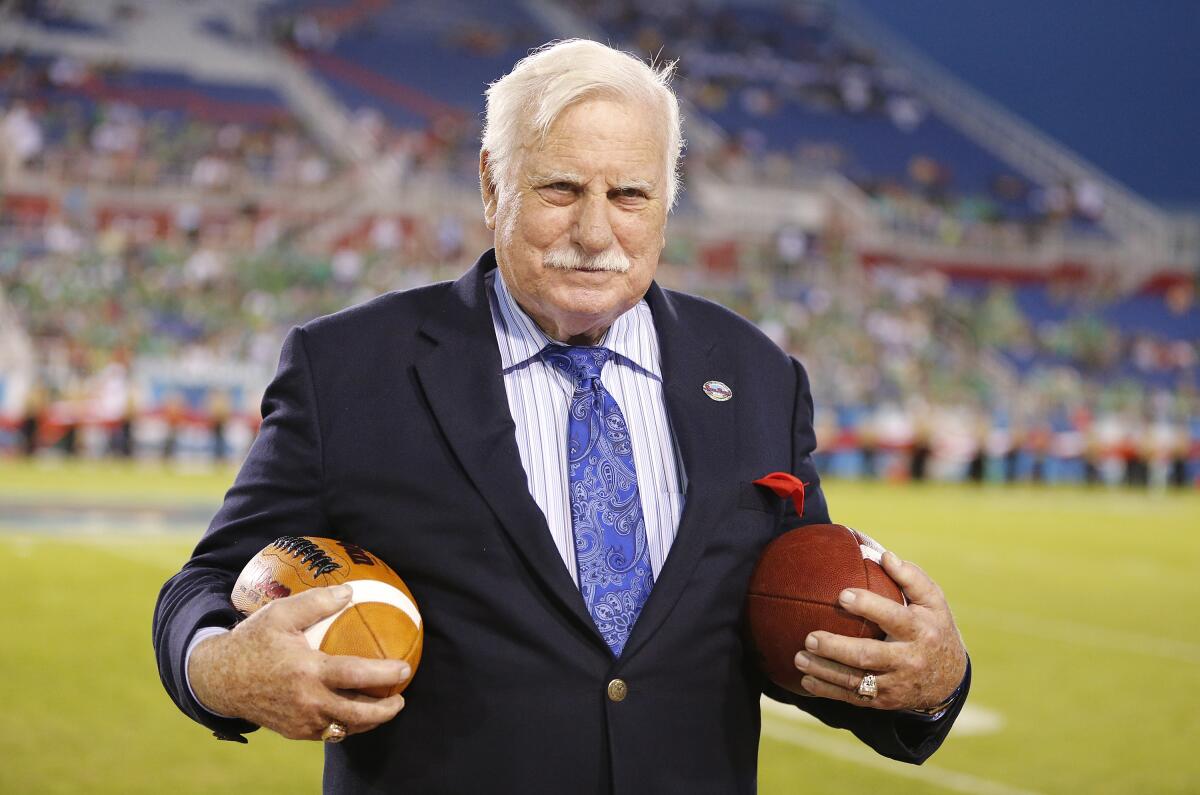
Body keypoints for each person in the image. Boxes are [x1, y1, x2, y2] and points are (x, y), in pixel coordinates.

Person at [154, 40, 970, 793]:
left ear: (666, 201)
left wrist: (927, 681)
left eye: (629, 195)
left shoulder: (757, 375)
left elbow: (797, 626)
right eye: (560, 189)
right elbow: (204, 586)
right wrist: (219, 667)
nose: (594, 231)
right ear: (490, 182)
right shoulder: (349, 368)